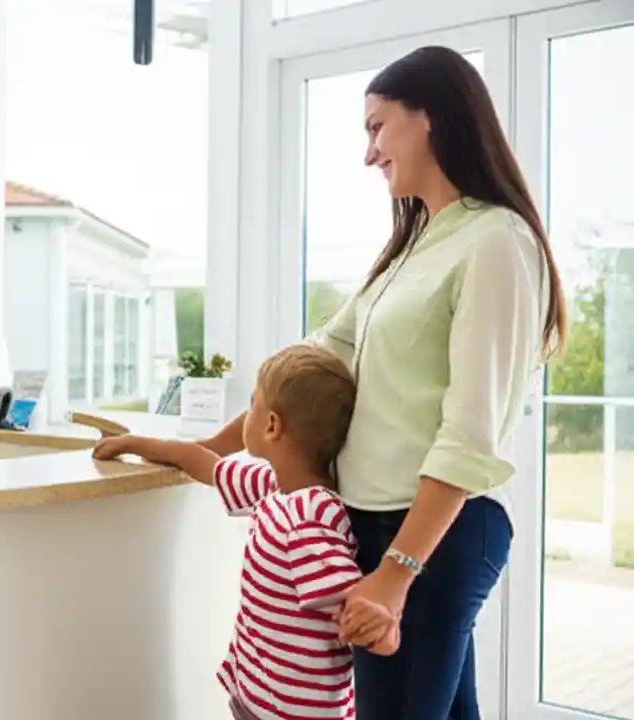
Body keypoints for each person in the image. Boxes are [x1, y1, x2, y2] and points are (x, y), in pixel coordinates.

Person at [202, 46, 567, 720]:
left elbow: (471, 432)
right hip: (375, 522)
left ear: (430, 116)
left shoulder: (496, 241)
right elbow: (314, 361)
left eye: (377, 127)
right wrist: (214, 448)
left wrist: (398, 573)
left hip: (438, 532)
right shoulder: (416, 245)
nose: (370, 152)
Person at [95, 345, 397, 720]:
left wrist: (383, 631)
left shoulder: (308, 517)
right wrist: (134, 443)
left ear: (271, 426)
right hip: (256, 696)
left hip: (293, 712)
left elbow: (355, 606)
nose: (245, 416)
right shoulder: (273, 487)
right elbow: (207, 464)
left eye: (251, 405)